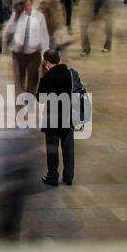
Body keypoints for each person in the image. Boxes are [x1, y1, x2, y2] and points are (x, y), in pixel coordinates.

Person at [36, 48, 75, 187]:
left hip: (52, 118)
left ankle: (52, 176)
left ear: (46, 62)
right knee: (68, 148)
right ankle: (69, 176)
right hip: (67, 115)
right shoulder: (70, 74)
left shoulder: (46, 78)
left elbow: (40, 99)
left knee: (52, 149)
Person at [5, 0, 49, 93]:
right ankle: (21, 96)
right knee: (19, 76)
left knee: (33, 76)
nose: (26, 8)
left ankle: (30, 95)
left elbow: (44, 35)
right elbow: (9, 30)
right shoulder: (16, 15)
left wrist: (44, 55)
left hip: (34, 52)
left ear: (31, 5)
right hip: (18, 52)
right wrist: (16, 17)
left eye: (28, 5)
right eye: (24, 6)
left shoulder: (39, 16)